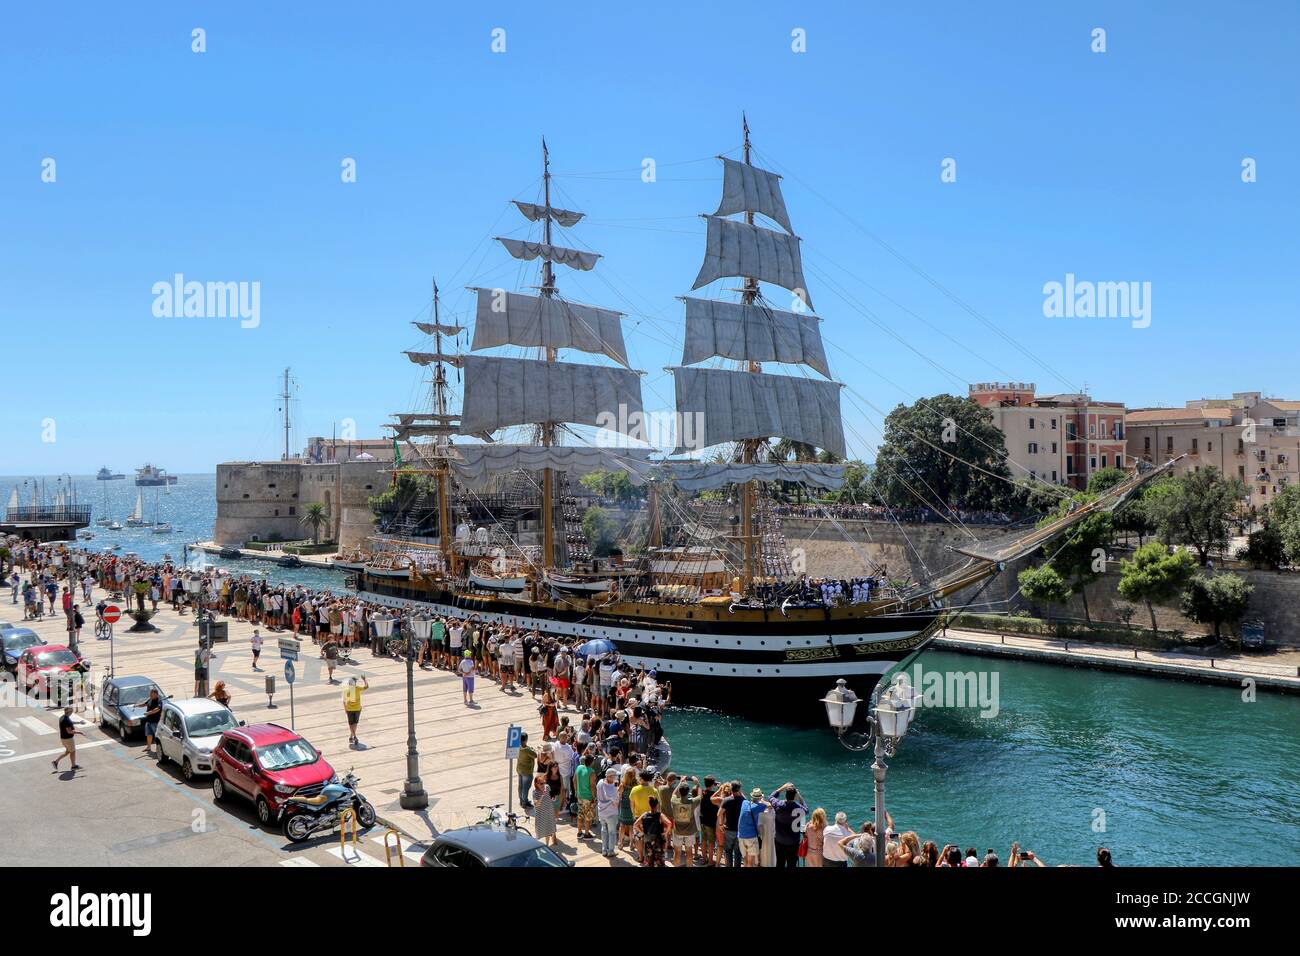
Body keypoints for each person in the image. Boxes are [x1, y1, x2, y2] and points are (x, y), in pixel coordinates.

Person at [768, 782, 808, 868]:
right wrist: (799, 796)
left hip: (780, 841)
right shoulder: (798, 808)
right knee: (792, 864)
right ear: (794, 796)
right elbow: (806, 809)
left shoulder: (779, 804)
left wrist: (783, 787)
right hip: (793, 843)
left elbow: (770, 797)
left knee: (779, 863)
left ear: (785, 795)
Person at [633, 796, 673, 868]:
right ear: (657, 805)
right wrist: (665, 833)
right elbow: (669, 823)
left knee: (649, 859)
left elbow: (635, 824)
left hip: (648, 838)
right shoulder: (660, 815)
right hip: (658, 839)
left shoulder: (645, 814)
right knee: (659, 860)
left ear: (649, 804)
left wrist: (642, 832)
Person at [670, 777, 701, 867]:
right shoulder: (692, 802)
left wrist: (681, 782)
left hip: (677, 831)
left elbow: (673, 794)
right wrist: (697, 783)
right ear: (688, 792)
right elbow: (699, 796)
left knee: (677, 852)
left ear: (680, 791)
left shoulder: (674, 801)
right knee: (689, 852)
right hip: (690, 832)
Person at [737, 786, 768, 867]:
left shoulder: (744, 803)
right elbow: (769, 805)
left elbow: (744, 797)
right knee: (750, 862)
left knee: (745, 860)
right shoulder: (759, 807)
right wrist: (762, 799)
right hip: (750, 837)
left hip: (741, 836)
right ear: (760, 797)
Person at [596, 767, 621, 858]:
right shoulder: (612, 787)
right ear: (610, 776)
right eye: (614, 776)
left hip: (601, 812)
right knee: (612, 832)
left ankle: (604, 850)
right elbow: (616, 801)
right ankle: (610, 851)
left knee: (604, 830)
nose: (616, 778)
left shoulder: (600, 782)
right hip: (611, 813)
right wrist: (619, 791)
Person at [52, 706, 83, 772]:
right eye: (72, 711)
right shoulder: (66, 720)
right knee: (73, 752)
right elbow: (69, 731)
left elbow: (70, 723)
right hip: (68, 739)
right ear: (69, 712)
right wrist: (79, 732)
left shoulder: (63, 717)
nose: (72, 712)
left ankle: (56, 762)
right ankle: (73, 766)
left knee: (67, 752)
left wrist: (79, 722)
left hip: (63, 739)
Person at [574, 753, 596, 839]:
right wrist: (594, 797)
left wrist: (576, 791)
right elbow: (592, 786)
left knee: (580, 815)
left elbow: (574, 780)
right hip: (588, 797)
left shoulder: (579, 767)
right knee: (588, 816)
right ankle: (587, 834)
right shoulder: (591, 772)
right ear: (592, 762)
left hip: (580, 796)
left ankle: (579, 832)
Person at [532, 775, 558, 848]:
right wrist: (542, 795)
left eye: (543, 782)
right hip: (541, 814)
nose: (543, 785)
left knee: (549, 829)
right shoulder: (535, 792)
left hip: (549, 811)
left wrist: (553, 798)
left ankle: (547, 845)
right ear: (536, 784)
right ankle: (537, 845)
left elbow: (550, 796)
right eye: (541, 783)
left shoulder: (547, 787)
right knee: (540, 830)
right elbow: (536, 804)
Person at [344, 675, 369, 747]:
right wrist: (365, 679)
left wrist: (345, 708)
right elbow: (366, 687)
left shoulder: (346, 690)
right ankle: (354, 736)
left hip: (350, 709)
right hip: (357, 709)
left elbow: (344, 701)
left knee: (352, 724)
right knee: (354, 723)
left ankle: (352, 736)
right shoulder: (357, 688)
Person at [515, 732, 536, 811]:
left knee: (520, 786)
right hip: (527, 771)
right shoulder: (527, 750)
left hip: (519, 769)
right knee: (525, 788)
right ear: (525, 740)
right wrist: (532, 749)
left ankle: (521, 800)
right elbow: (535, 755)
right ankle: (525, 802)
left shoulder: (517, 747)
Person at [142, 687, 163, 757]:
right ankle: (148, 747)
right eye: (150, 694)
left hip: (155, 722)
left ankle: (159, 750)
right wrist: (137, 705)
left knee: (157, 736)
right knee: (149, 734)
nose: (150, 696)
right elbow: (145, 704)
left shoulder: (159, 700)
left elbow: (157, 709)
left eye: (152, 694)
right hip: (148, 721)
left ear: (156, 694)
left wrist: (148, 713)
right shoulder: (150, 699)